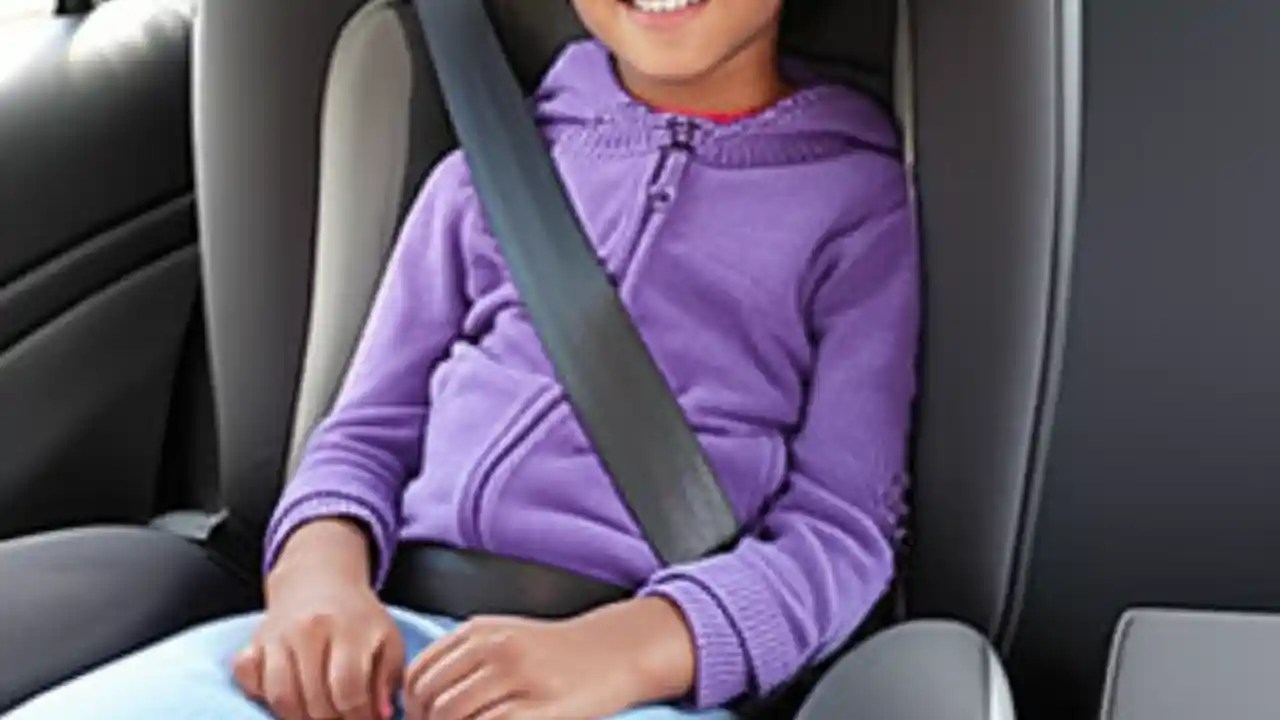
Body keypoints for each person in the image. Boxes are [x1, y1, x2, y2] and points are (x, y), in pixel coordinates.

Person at [6, 0, 917, 718]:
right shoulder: (481, 177)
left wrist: (627, 651)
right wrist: (317, 588)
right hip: (384, 645)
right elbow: (361, 435)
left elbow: (840, 532)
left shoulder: (856, 204)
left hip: (638, 681)